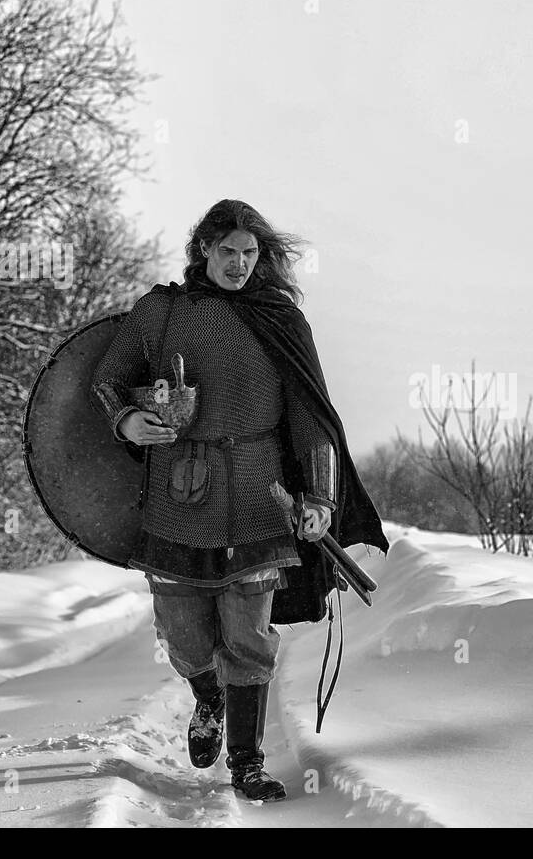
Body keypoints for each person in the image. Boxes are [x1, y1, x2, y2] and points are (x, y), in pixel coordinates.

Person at [89, 198, 386, 801]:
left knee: (248, 635)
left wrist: (321, 500)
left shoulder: (279, 318)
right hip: (179, 490)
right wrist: (127, 421)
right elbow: (107, 375)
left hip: (259, 492)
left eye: (250, 253)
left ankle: (246, 762)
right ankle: (206, 696)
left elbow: (311, 418)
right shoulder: (163, 311)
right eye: (228, 251)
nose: (240, 264)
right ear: (205, 249)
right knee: (185, 635)